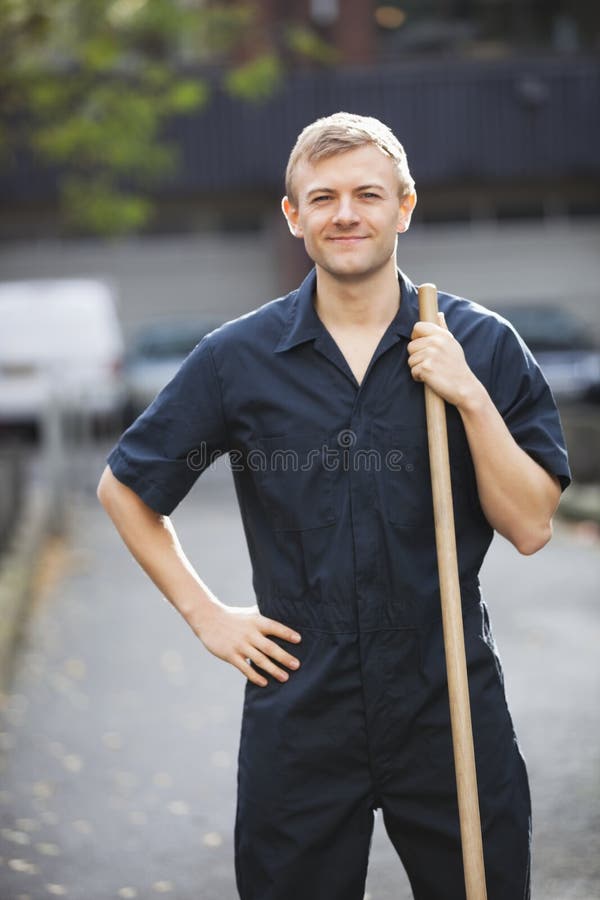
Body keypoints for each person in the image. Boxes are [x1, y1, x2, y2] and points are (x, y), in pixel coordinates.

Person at [97, 112, 571, 900]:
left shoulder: (482, 344)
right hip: (301, 711)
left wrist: (470, 398)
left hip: (446, 697)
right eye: (322, 198)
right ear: (294, 216)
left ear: (405, 206)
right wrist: (206, 615)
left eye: (367, 194)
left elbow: (530, 526)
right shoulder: (236, 360)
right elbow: (126, 488)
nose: (345, 213)